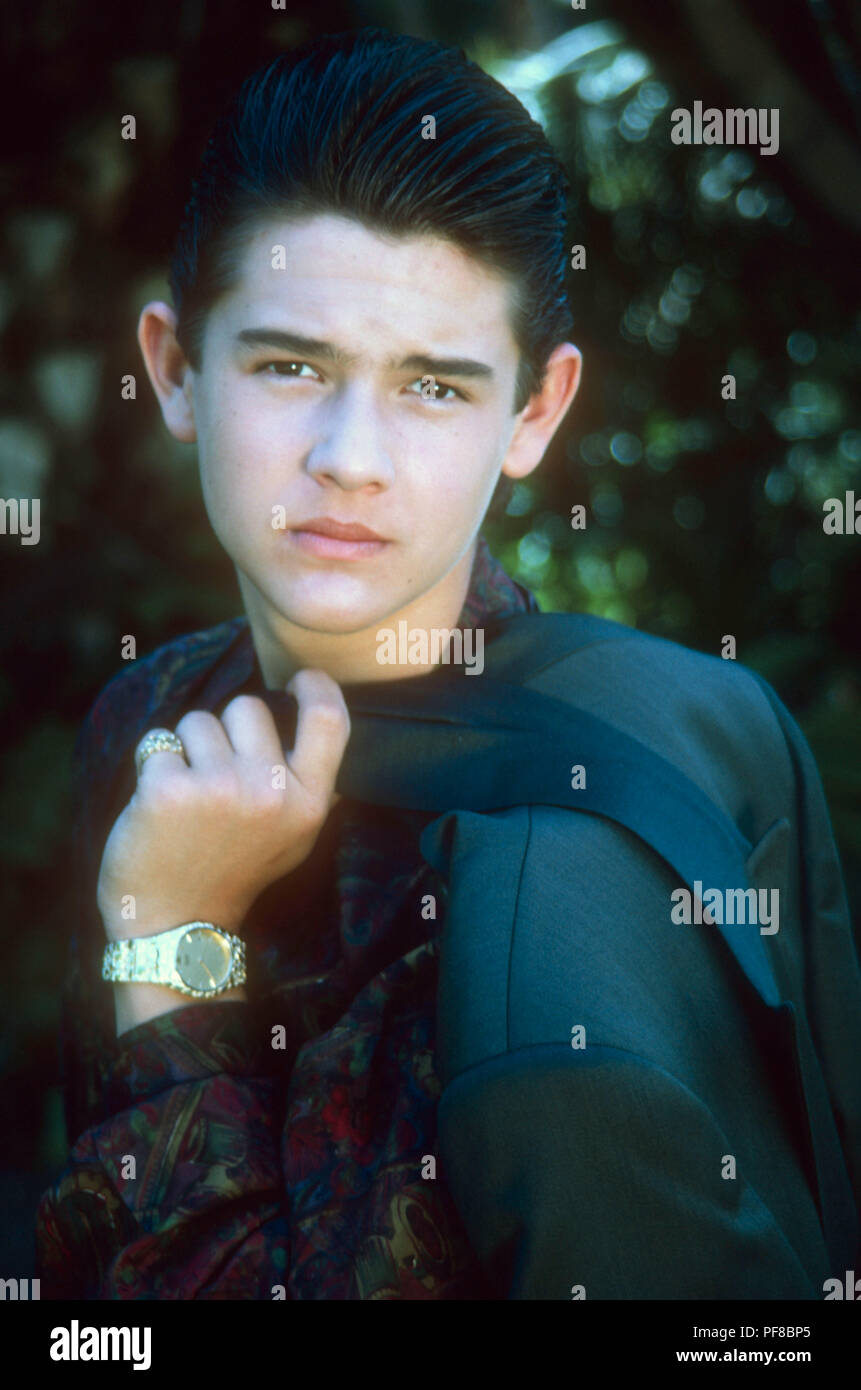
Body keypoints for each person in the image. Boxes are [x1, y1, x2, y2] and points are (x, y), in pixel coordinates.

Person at [35, 26, 860, 1301]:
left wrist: (169, 945)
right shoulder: (150, 721)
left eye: (433, 387)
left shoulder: (560, 851)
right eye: (290, 364)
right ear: (175, 369)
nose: (350, 455)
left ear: (535, 412)